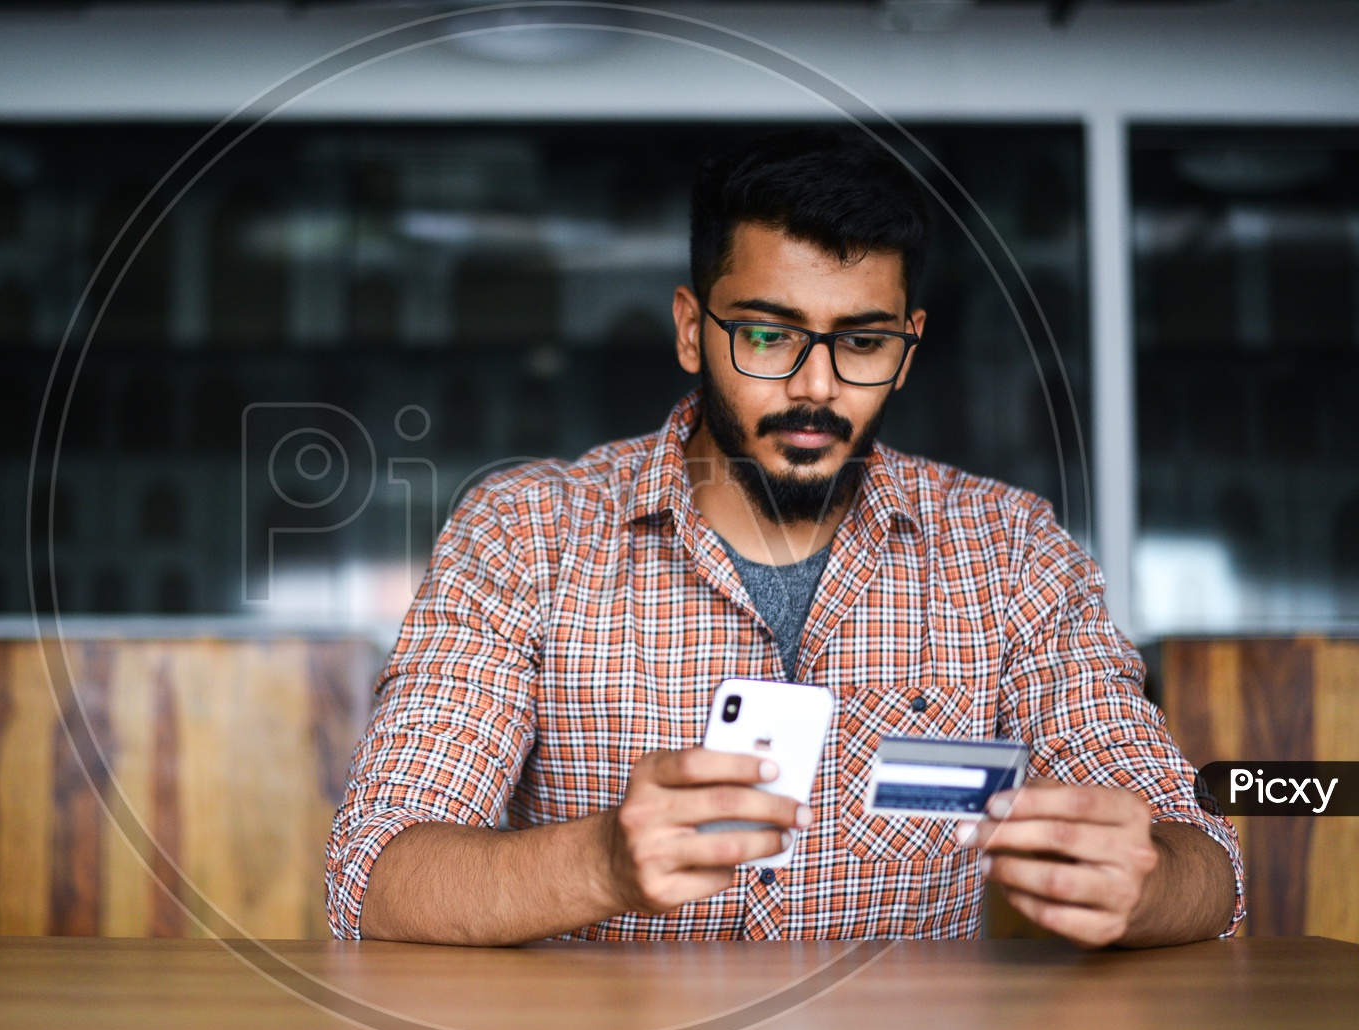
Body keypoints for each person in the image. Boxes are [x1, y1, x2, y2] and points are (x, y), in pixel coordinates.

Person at [326, 129, 1243, 948]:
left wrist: (1148, 884)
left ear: (909, 347)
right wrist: (603, 862)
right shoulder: (524, 537)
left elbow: (1208, 865)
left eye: (863, 342)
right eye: (767, 334)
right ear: (693, 330)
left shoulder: (1012, 554)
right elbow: (374, 880)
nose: (816, 388)